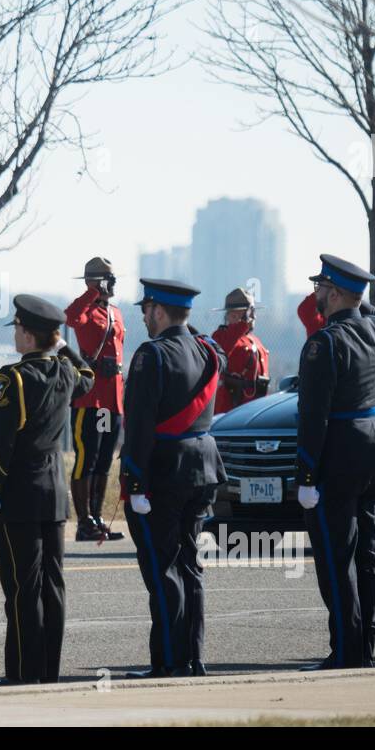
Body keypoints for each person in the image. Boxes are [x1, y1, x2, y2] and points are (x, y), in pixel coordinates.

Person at [295, 255, 375, 670]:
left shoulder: (326, 343)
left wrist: (306, 473)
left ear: (335, 292)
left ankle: (345, 649)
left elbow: (313, 415)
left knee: (336, 559)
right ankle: (366, 645)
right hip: (372, 452)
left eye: (321, 287)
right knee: (368, 554)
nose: (315, 294)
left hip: (335, 457)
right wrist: (364, 305)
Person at [0, 296, 94, 685]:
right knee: (52, 585)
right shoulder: (64, 372)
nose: (14, 334)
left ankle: (22, 675)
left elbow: (0, 442)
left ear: (28, 336)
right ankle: (48, 671)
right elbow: (89, 375)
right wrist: (63, 345)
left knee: (22, 590)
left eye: (17, 328)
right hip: (53, 493)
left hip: (18, 494)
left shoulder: (10, 379)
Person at [119, 279, 226, 678]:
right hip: (203, 468)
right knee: (190, 566)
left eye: (146, 310)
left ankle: (168, 660)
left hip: (163, 474)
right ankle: (193, 656)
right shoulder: (207, 351)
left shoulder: (152, 355)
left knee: (163, 569)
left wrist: (134, 482)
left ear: (158, 311)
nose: (143, 317)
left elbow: (140, 427)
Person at [64, 257, 125, 541]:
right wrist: (92, 291)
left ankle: (97, 518)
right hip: (91, 399)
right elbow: (71, 316)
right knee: (85, 459)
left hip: (112, 400)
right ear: (96, 282)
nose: (113, 285)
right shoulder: (86, 311)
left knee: (103, 460)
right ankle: (83, 522)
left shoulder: (115, 312)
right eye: (108, 280)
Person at [211, 287, 270, 414]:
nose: (254, 316)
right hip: (231, 411)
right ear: (233, 314)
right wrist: (243, 323)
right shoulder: (221, 336)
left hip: (256, 409)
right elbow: (223, 349)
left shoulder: (253, 339)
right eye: (250, 312)